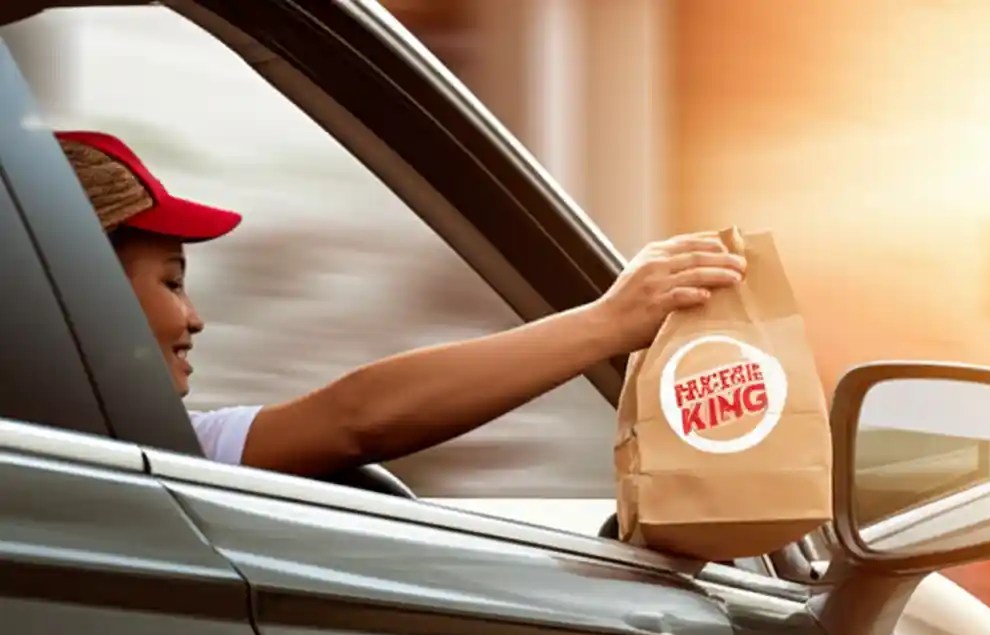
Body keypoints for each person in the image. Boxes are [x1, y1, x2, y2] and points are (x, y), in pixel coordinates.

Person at [56, 130, 746, 478]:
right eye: (172, 283)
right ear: (75, 288)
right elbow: (359, 420)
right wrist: (608, 321)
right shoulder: (105, 459)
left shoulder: (153, 448)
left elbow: (359, 418)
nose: (195, 317)